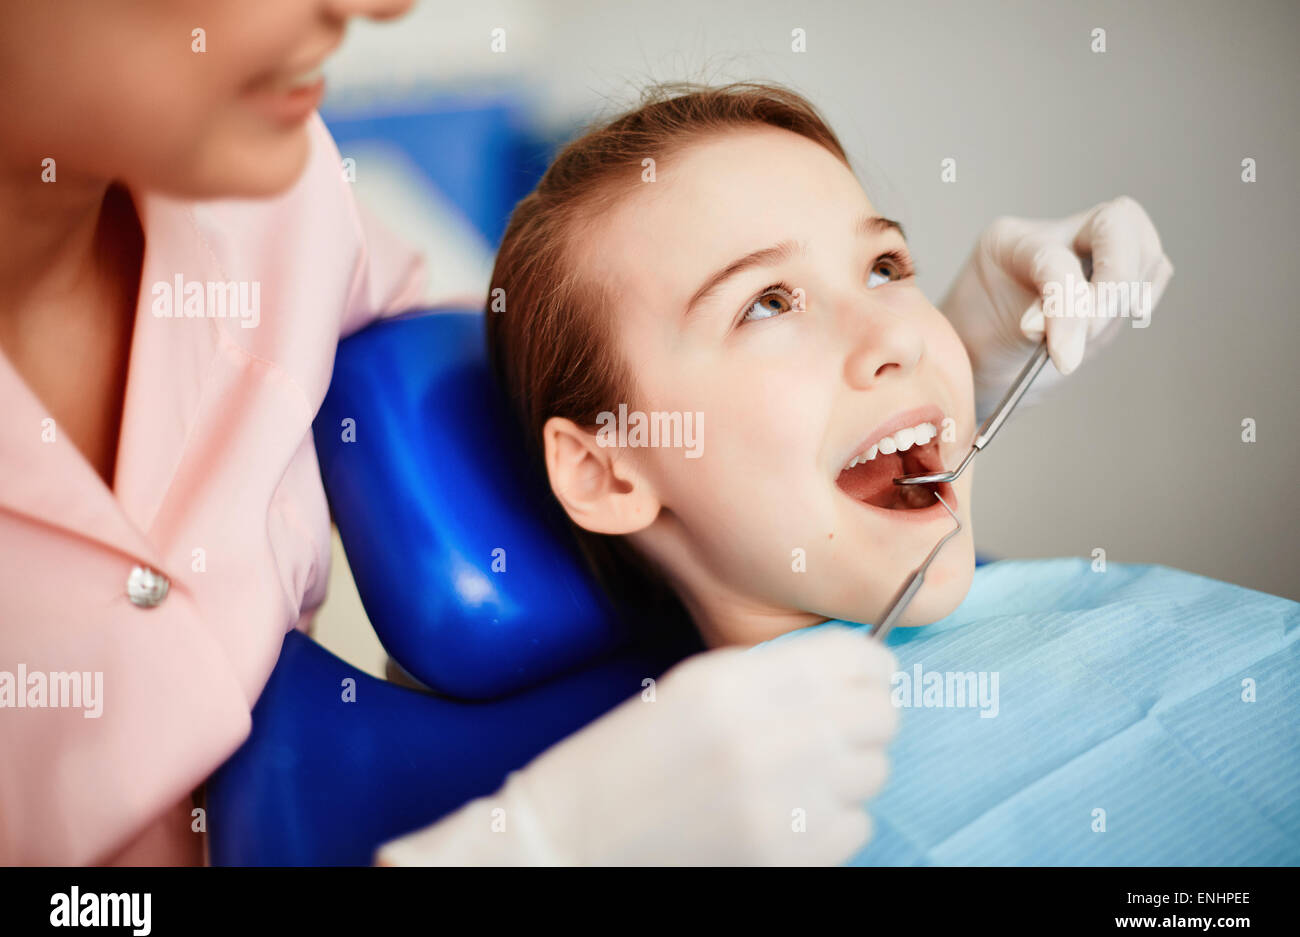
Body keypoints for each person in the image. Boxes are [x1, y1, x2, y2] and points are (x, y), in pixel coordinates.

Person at [0, 4, 1169, 867]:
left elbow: (619, 422)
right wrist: (531, 848)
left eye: (888, 263)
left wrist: (946, 356)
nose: (388, 7)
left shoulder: (270, 187)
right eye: (765, 299)